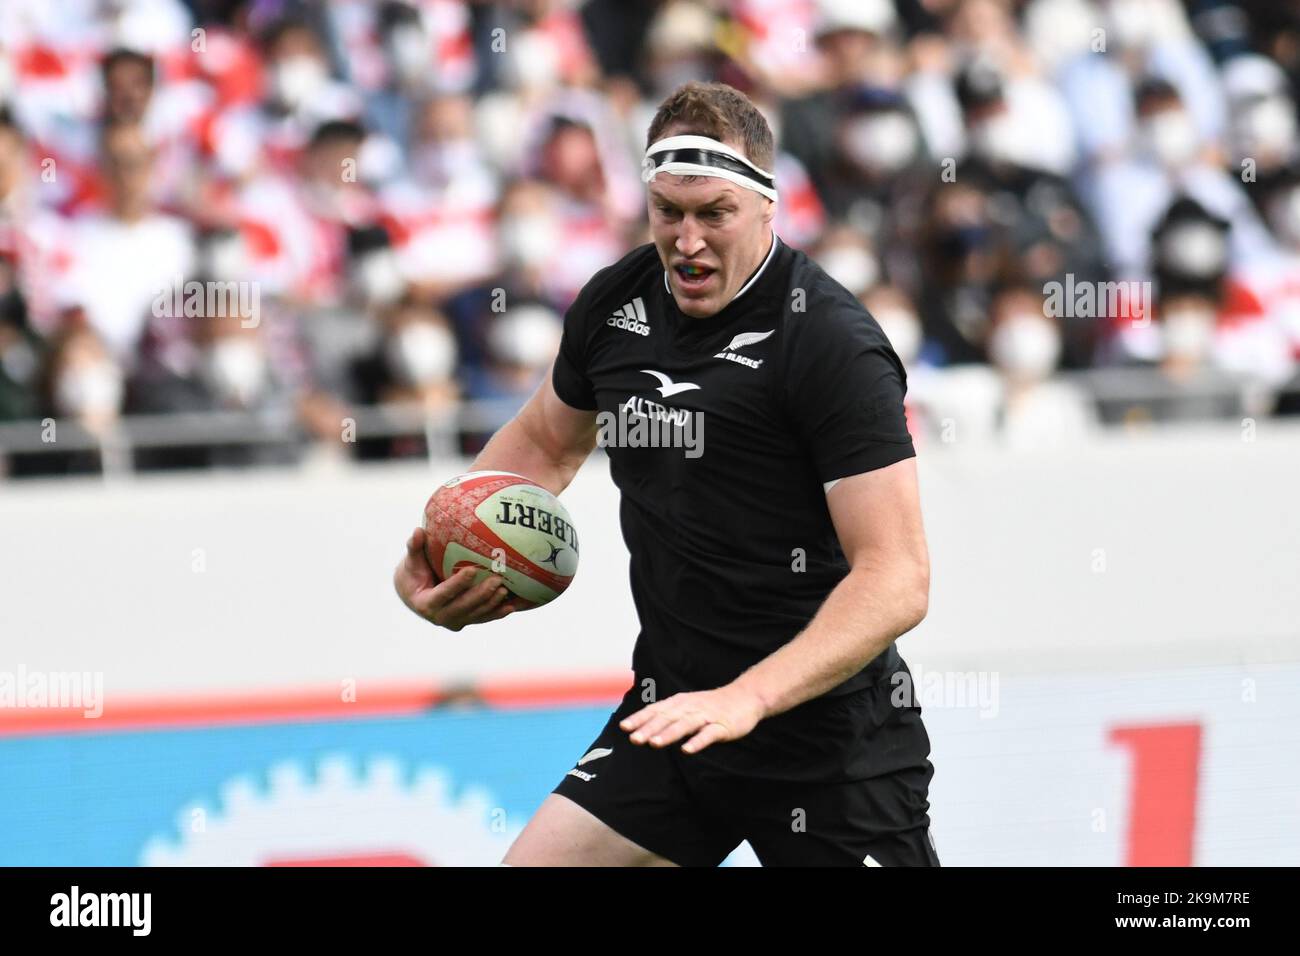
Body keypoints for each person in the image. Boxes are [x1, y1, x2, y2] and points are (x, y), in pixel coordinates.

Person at [393, 81, 937, 867]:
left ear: (766, 206)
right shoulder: (617, 304)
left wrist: (748, 697)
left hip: (832, 742)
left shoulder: (830, 344)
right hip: (673, 715)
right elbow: (546, 443)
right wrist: (440, 542)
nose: (686, 242)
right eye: (667, 212)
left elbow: (897, 576)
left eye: (713, 213)